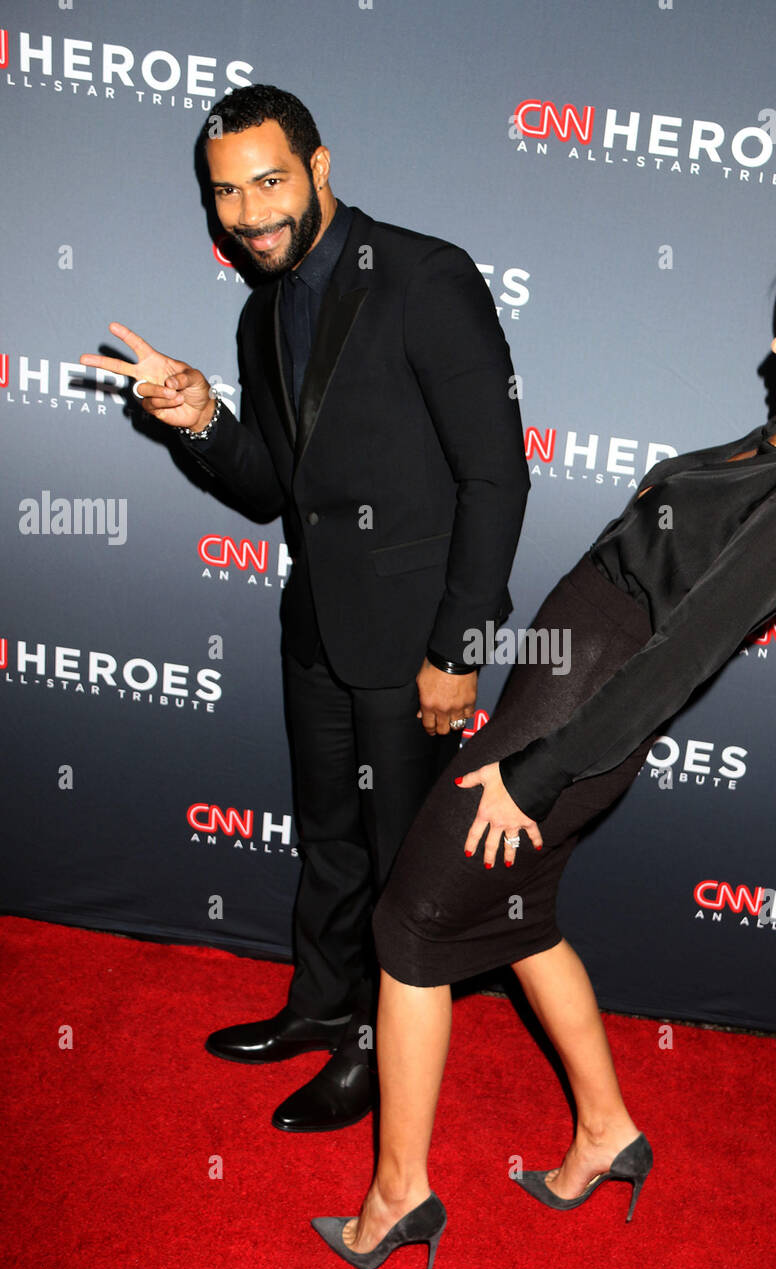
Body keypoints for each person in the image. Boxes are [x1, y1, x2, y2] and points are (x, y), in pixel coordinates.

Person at [308, 237, 776, 1269]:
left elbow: (678, 660)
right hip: (562, 694)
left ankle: (398, 1193)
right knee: (520, 919)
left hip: (575, 718)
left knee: (409, 926)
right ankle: (606, 1132)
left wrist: (538, 765)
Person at [80, 86, 529, 1133]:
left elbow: (496, 477)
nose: (248, 214)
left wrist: (456, 647)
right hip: (317, 629)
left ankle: (380, 1048)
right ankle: (320, 1008)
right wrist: (198, 422)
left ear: (320, 168)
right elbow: (273, 487)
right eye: (226, 194)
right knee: (330, 839)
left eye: (269, 182)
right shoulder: (259, 309)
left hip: (412, 642)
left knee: (396, 859)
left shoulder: (425, 276)